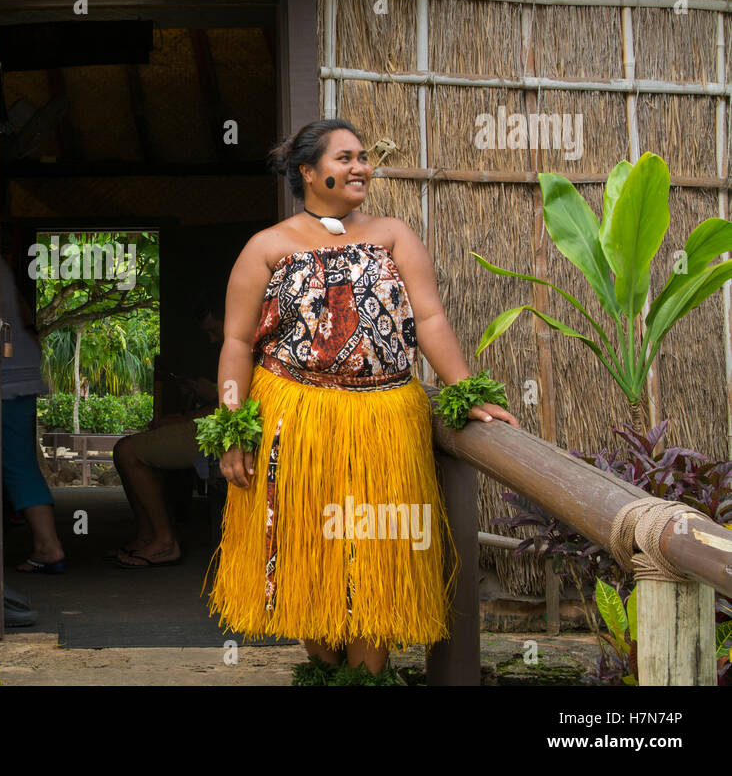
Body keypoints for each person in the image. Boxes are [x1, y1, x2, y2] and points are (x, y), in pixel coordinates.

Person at [205, 118, 519, 675]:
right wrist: (234, 428)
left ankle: (368, 677)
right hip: (295, 418)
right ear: (309, 171)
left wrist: (462, 389)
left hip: (386, 418)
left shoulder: (393, 233)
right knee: (307, 552)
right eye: (346, 158)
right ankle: (325, 669)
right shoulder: (268, 246)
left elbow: (429, 318)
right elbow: (236, 341)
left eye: (364, 158)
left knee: (373, 552)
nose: (361, 168)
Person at [110, 301, 222, 568]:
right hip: (210, 421)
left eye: (214, 330)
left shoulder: (246, 346)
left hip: (220, 430)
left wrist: (206, 401)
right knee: (124, 448)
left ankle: (165, 542)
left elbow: (236, 406)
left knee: (127, 451)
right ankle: (147, 536)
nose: (212, 339)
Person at [0, 255, 67, 574]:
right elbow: (25, 314)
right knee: (19, 461)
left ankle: (48, 546)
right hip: (20, 365)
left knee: (16, 464)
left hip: (6, 371)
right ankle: (45, 545)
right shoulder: (2, 264)